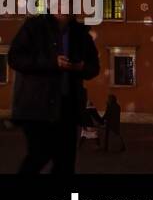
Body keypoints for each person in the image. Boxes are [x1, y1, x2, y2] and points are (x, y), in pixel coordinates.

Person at [9, 10, 102, 175]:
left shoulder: (80, 33)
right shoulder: (33, 26)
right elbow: (15, 59)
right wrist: (52, 63)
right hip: (36, 106)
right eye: (60, 2)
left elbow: (93, 67)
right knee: (40, 153)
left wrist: (81, 67)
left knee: (65, 162)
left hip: (67, 106)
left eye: (69, 2)